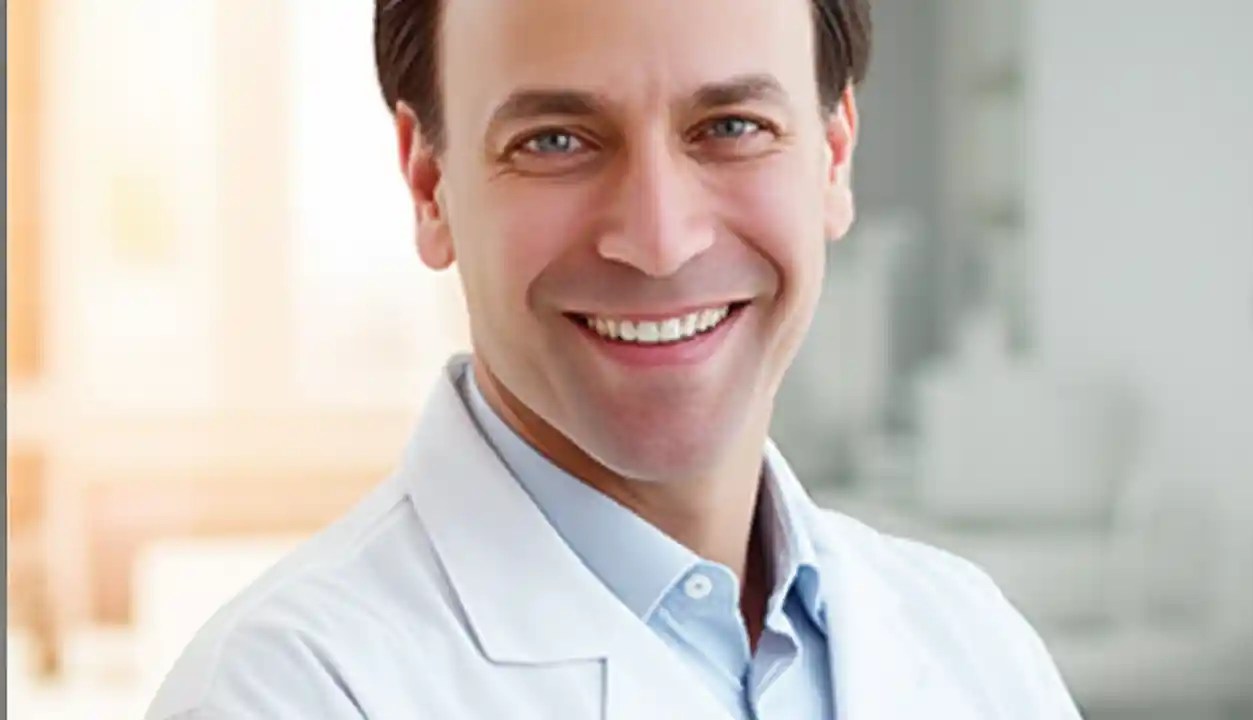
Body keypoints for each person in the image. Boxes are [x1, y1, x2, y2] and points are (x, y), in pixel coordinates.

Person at [147, 0, 1082, 717]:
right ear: (430, 185)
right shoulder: (287, 693)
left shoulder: (973, 645)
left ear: (833, 159)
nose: (660, 240)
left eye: (731, 128)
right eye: (554, 142)